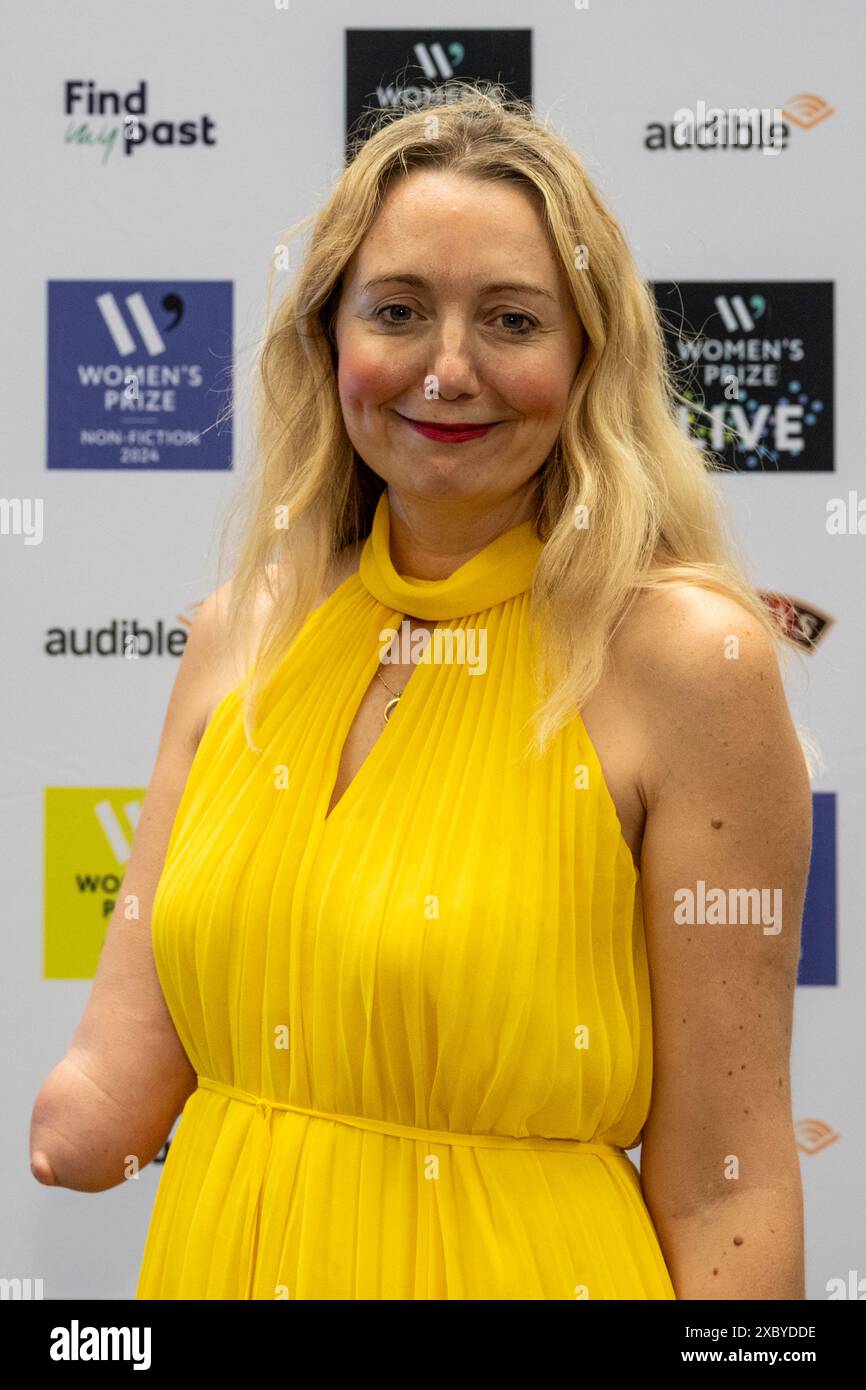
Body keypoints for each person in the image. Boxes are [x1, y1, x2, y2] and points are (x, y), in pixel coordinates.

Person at [31, 85, 812, 1300]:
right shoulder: (244, 635)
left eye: (509, 320)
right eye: (397, 310)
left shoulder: (681, 660)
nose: (447, 370)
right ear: (327, 340)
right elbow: (98, 1120)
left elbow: (727, 1181)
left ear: (587, 357)